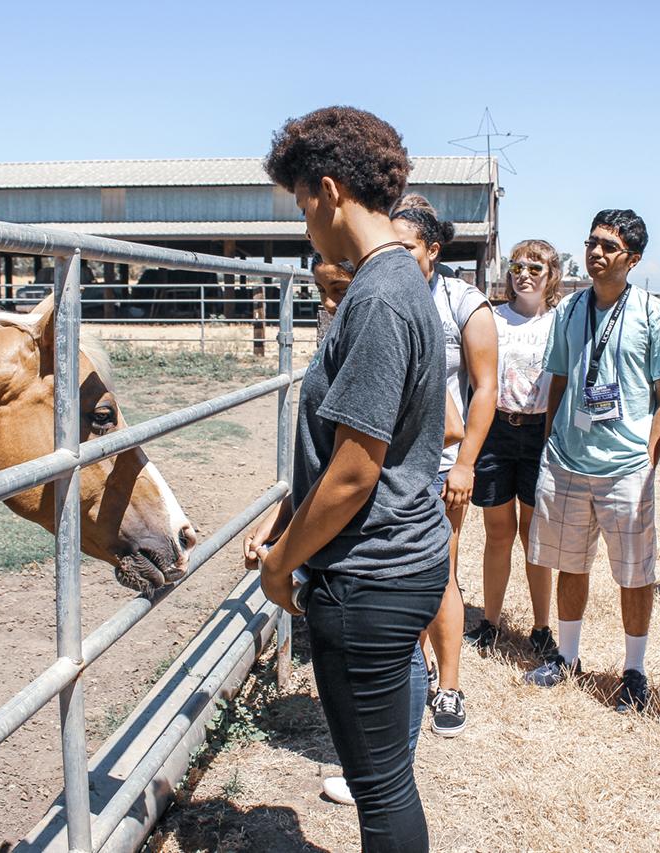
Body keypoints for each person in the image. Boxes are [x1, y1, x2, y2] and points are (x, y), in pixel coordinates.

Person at [249, 106, 450, 851]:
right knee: (388, 772)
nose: (305, 225)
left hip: (368, 571)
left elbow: (354, 472)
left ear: (329, 192)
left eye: (303, 206)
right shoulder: (400, 283)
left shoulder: (375, 297)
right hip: (405, 554)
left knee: (380, 786)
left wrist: (282, 561)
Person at [524, 209, 660, 714]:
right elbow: (561, 381)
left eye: (609, 247)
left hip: (626, 467)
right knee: (570, 563)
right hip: (568, 461)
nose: (596, 252)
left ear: (632, 260)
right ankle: (567, 657)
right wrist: (551, 445)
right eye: (592, 242)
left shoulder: (654, 314)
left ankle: (633, 671)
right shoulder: (569, 310)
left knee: (634, 573)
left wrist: (649, 460)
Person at [391, 204, 498, 737]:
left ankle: (449, 686)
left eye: (407, 247)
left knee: (440, 574)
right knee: (394, 574)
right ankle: (414, 670)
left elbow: (485, 389)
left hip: (437, 466)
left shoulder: (463, 303)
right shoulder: (381, 292)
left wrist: (465, 464)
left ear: (434, 250)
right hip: (387, 467)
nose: (396, 257)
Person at [463, 239, 562, 659]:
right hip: (497, 430)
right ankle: (491, 621)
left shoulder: (560, 321)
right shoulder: (494, 318)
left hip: (540, 434)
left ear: (550, 275)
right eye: (518, 266)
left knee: (534, 536)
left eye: (534, 268)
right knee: (498, 532)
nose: (524, 274)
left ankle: (542, 627)